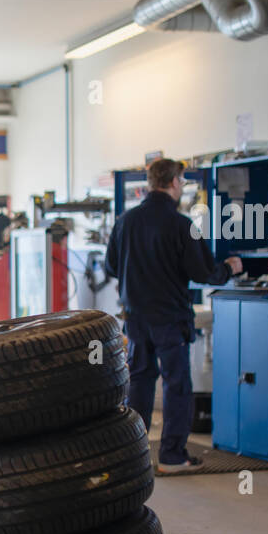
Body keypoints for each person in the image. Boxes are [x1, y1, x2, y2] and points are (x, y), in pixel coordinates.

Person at [105, 157, 243, 473]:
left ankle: (132, 454)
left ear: (151, 182)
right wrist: (228, 269)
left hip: (135, 318)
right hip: (170, 318)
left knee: (139, 382)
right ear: (175, 183)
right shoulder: (182, 226)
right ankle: (172, 456)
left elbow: (112, 266)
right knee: (177, 383)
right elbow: (203, 271)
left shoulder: (125, 221)